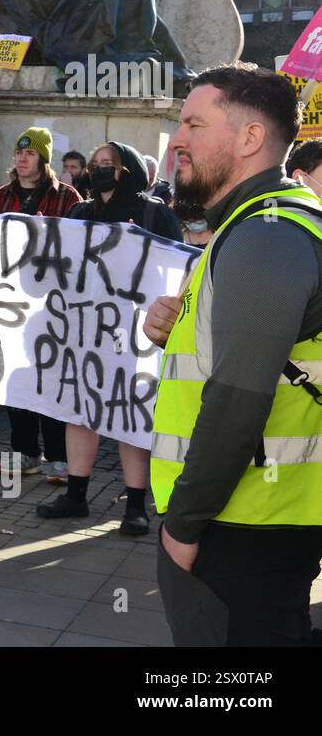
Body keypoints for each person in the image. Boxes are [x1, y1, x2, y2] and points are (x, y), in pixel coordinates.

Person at [143, 64, 322, 646]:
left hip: (243, 525)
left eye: (195, 124)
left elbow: (237, 400)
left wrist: (184, 526)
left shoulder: (266, 234)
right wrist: (174, 328)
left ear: (249, 139)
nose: (176, 140)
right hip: (256, 519)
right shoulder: (253, 226)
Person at [37, 142, 182, 529]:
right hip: (86, 329)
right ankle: (75, 494)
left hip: (135, 334)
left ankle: (135, 506)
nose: (99, 170)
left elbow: (178, 265)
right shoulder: (81, 212)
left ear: (128, 171)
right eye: (95, 164)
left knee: (130, 414)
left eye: (109, 165)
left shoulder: (154, 213)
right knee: (81, 411)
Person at [0, 128, 82, 477]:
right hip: (10, 301)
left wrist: (49, 237)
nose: (22, 159)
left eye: (29, 154)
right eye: (18, 152)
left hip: (52, 305)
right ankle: (24, 451)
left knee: (52, 378)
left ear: (43, 159)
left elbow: (77, 252)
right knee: (16, 378)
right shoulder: (0, 197)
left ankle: (58, 455)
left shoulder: (67, 198)